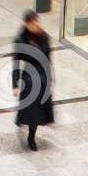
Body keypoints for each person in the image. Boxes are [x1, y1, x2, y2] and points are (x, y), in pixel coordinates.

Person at [13, 10, 54, 152]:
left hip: (42, 75)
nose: (35, 25)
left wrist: (51, 80)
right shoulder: (21, 40)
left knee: (37, 110)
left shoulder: (44, 37)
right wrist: (15, 84)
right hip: (29, 76)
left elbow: (48, 59)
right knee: (29, 106)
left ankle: (32, 135)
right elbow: (16, 62)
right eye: (32, 23)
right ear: (27, 24)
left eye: (36, 21)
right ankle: (23, 120)